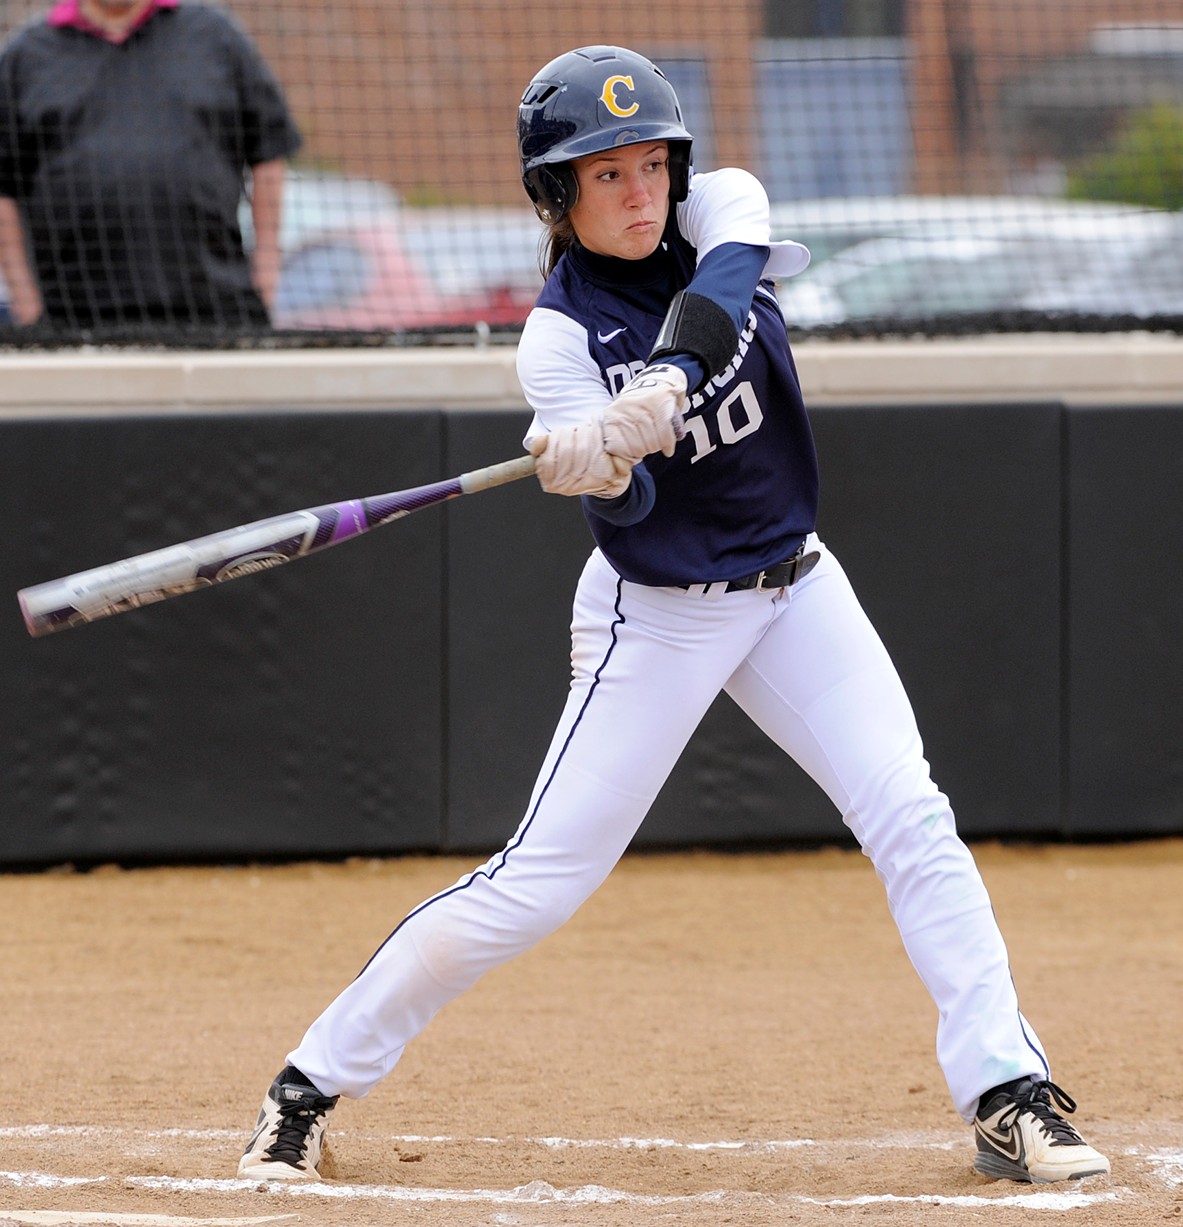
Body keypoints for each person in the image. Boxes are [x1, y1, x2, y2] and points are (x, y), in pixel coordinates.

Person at [235, 45, 1110, 1189]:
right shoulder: (555, 344)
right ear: (556, 197)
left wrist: (657, 393)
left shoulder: (721, 208)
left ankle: (1007, 1091)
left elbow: (724, 293)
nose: (641, 192)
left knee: (911, 817)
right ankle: (305, 1087)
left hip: (795, 585)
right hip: (660, 615)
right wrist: (598, 467)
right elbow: (642, 509)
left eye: (650, 163)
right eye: (606, 176)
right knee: (534, 883)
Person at [0, 0, 300, 330]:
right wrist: (28, 305)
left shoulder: (214, 35)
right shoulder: (25, 56)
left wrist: (267, 269)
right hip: (74, 317)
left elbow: (269, 150)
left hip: (216, 311)